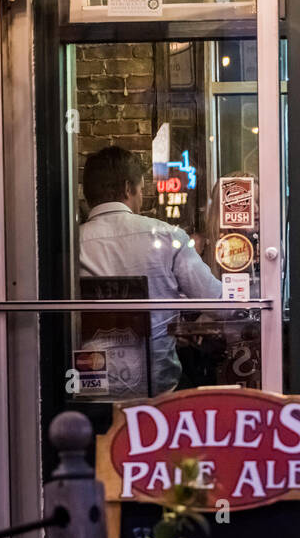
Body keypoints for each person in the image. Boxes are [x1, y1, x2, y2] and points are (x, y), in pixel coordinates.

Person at [78, 146, 221, 395]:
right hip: (159, 390)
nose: (142, 198)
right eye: (142, 190)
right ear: (127, 189)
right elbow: (217, 301)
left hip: (90, 386)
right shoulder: (168, 237)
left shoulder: (70, 244)